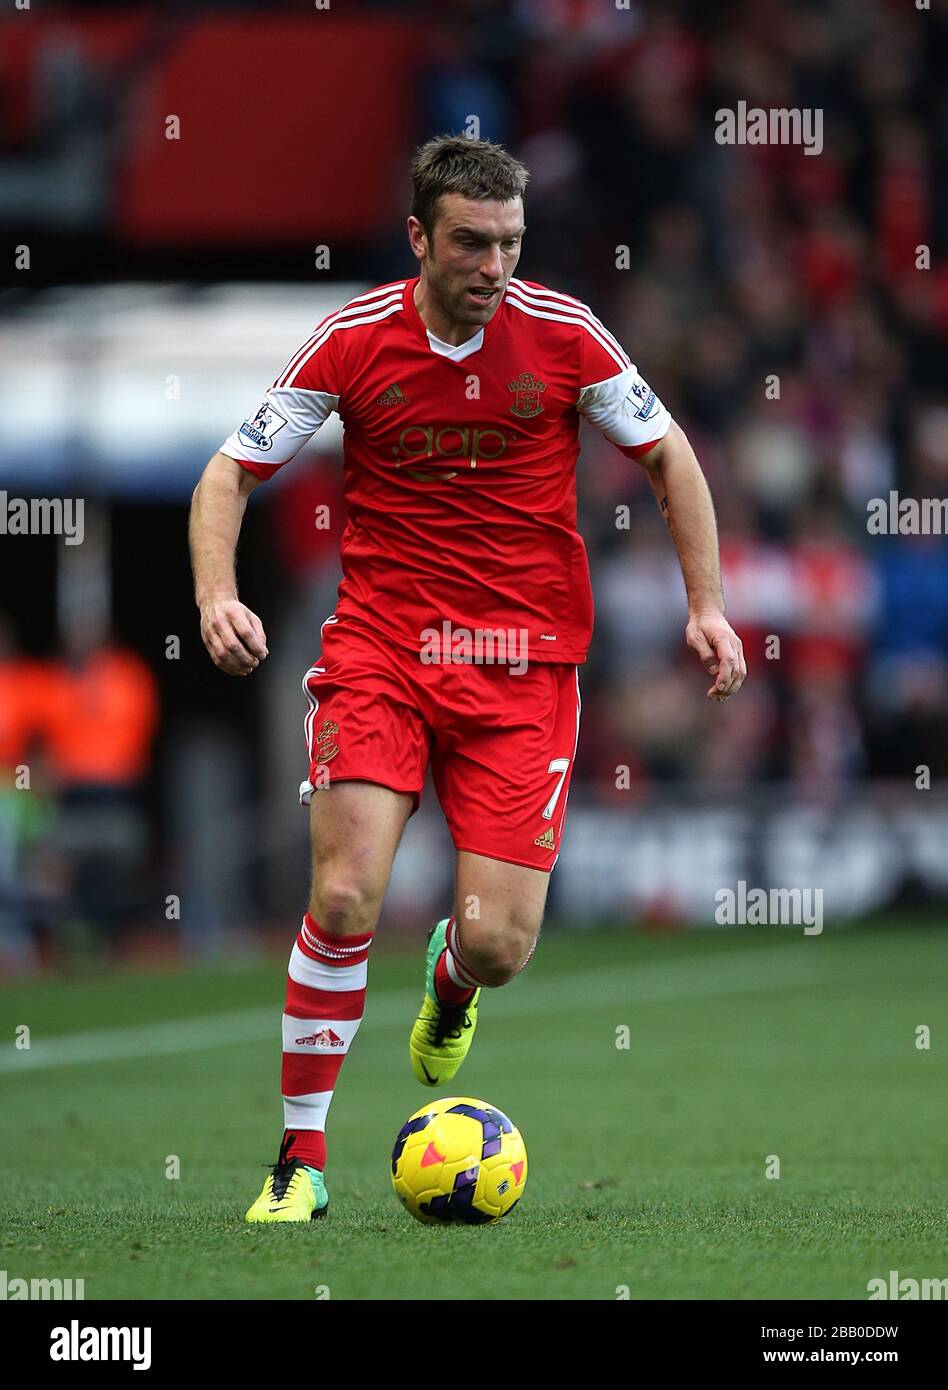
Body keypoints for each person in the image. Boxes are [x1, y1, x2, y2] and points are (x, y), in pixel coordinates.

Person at [189, 134, 746, 1223]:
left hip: (524, 670)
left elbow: (671, 456)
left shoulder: (566, 333)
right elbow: (227, 473)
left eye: (511, 244)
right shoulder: (351, 342)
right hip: (383, 654)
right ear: (419, 239)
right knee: (345, 892)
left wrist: (708, 604)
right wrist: (217, 595)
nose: (495, 267)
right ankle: (300, 1161)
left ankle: (451, 979)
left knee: (498, 941)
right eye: (472, 245)